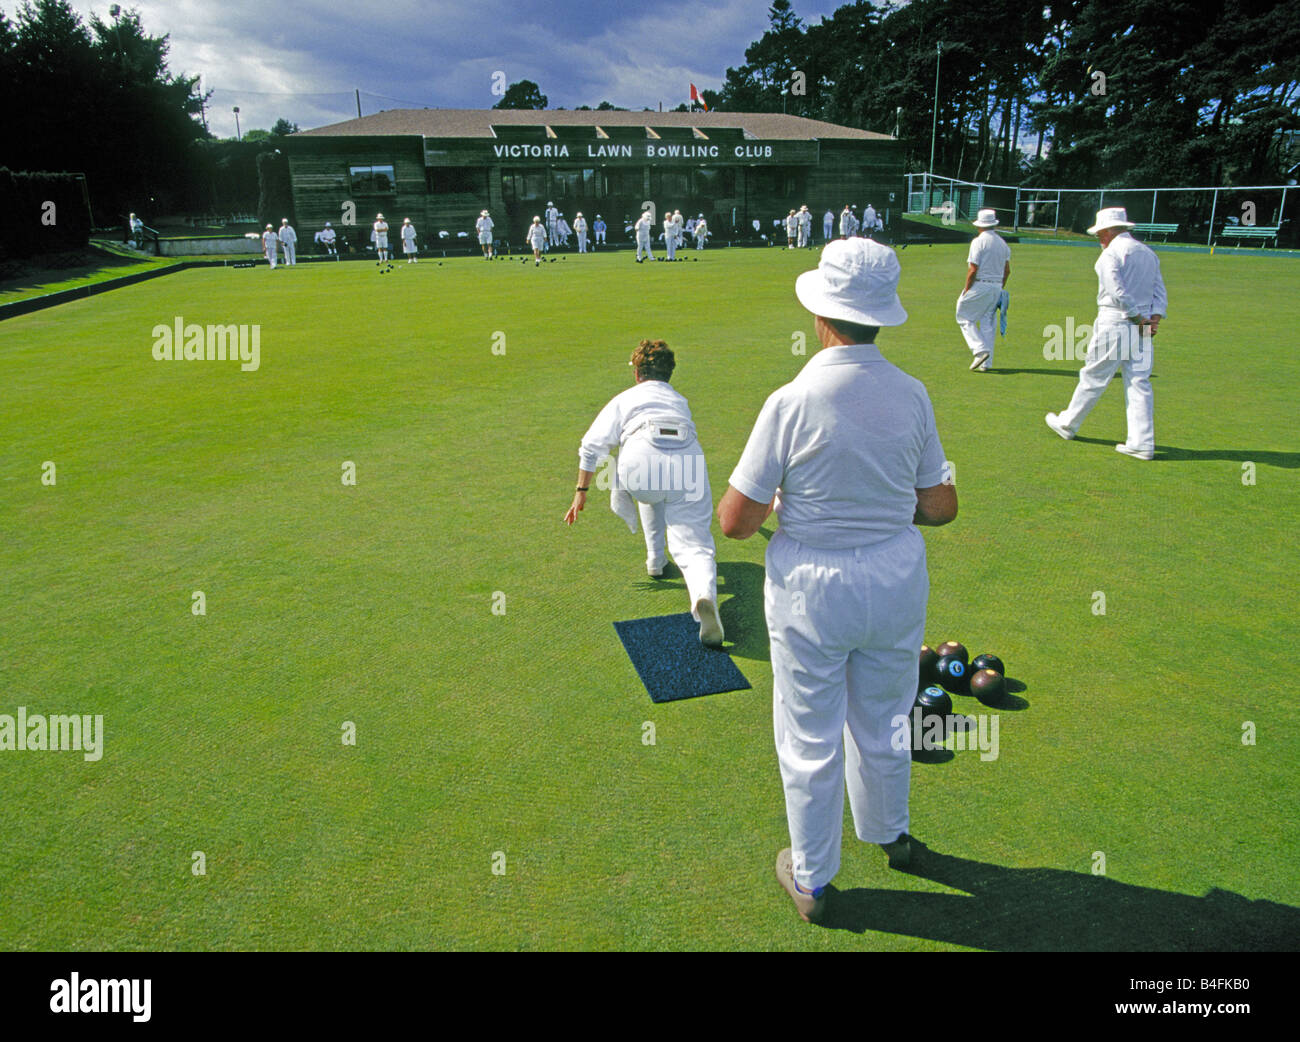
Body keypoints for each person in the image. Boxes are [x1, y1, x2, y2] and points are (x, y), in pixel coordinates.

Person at [717, 238, 956, 924]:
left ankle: (814, 878)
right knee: (883, 716)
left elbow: (735, 522)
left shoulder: (791, 400)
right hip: (896, 574)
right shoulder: (913, 393)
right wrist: (876, 504)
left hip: (812, 587)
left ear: (823, 315)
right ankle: (890, 833)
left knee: (810, 733)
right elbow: (941, 505)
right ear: (882, 315)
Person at [565, 340, 723, 648]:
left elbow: (591, 447)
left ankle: (655, 559)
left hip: (640, 465)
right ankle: (703, 594)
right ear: (669, 374)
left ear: (638, 373)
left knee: (650, 488)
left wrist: (581, 492)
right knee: (694, 543)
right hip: (686, 459)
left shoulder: (626, 398)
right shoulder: (680, 400)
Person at [1046, 207, 1168, 460]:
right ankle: (1142, 443)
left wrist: (1138, 319)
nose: (1099, 239)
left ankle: (1068, 424)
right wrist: (1152, 320)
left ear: (1110, 231)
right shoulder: (1148, 253)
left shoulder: (1109, 255)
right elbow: (1160, 292)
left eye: (1101, 233)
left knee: (1094, 375)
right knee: (1139, 382)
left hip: (1117, 321)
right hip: (1142, 324)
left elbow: (1117, 292)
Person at [955, 208, 1011, 371]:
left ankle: (979, 350)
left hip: (980, 284)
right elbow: (1007, 270)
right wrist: (999, 287)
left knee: (963, 315)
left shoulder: (978, 242)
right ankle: (986, 364)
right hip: (996, 286)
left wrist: (967, 290)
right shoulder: (1002, 243)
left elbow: (973, 269)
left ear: (980, 226)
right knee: (988, 321)